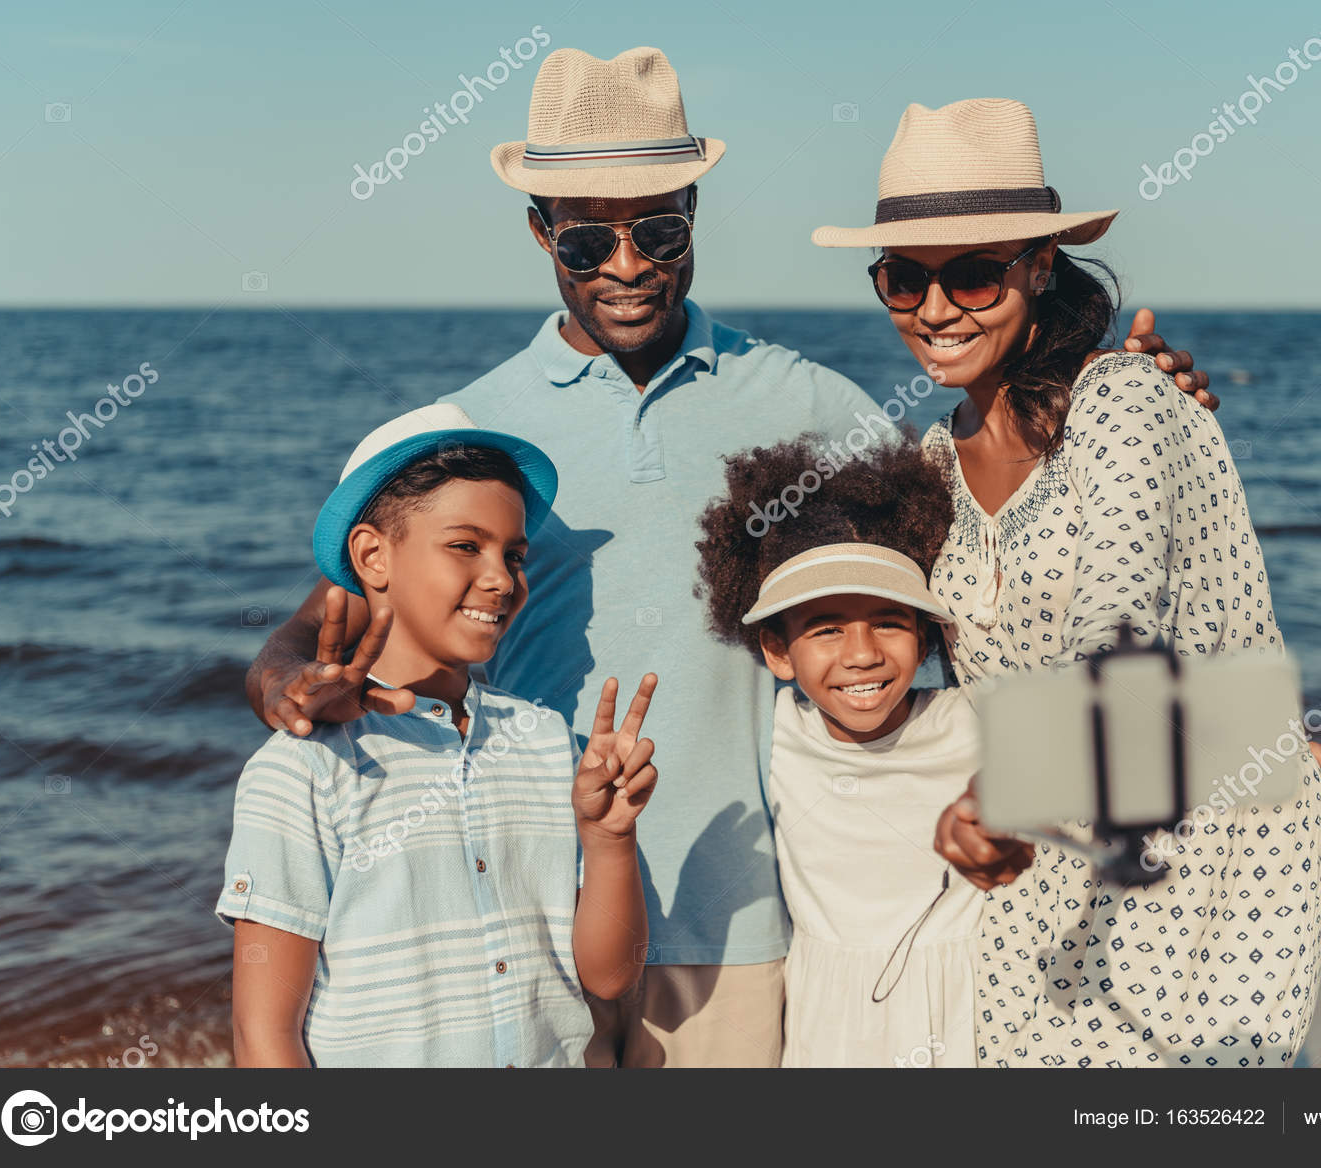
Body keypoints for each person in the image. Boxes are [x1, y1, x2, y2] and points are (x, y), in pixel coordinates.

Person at [243, 47, 1219, 1068]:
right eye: (585, 241)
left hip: (739, 923)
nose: (627, 264)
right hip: (521, 927)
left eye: (658, 228)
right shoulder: (476, 430)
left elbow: (988, 508)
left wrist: (1122, 399)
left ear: (694, 212)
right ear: (540, 232)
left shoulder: (807, 398)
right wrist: (285, 683)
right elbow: (331, 620)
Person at [813, 98, 1321, 1066]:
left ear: (1039, 267)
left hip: (1196, 851)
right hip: (1035, 850)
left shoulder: (1123, 400)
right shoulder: (931, 457)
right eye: (901, 278)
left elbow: (1123, 626)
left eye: (972, 274)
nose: (934, 307)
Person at [219, 403, 659, 1066]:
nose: (500, 579)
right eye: (465, 546)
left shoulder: (544, 742)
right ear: (372, 556)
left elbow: (607, 977)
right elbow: (265, 1036)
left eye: (514, 555)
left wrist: (609, 841)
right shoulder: (303, 771)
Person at [694, 435, 983, 1067]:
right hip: (832, 1023)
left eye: (888, 621)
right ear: (777, 652)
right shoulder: (776, 734)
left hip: (975, 1012)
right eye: (826, 629)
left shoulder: (974, 726)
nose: (861, 654)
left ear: (926, 637)